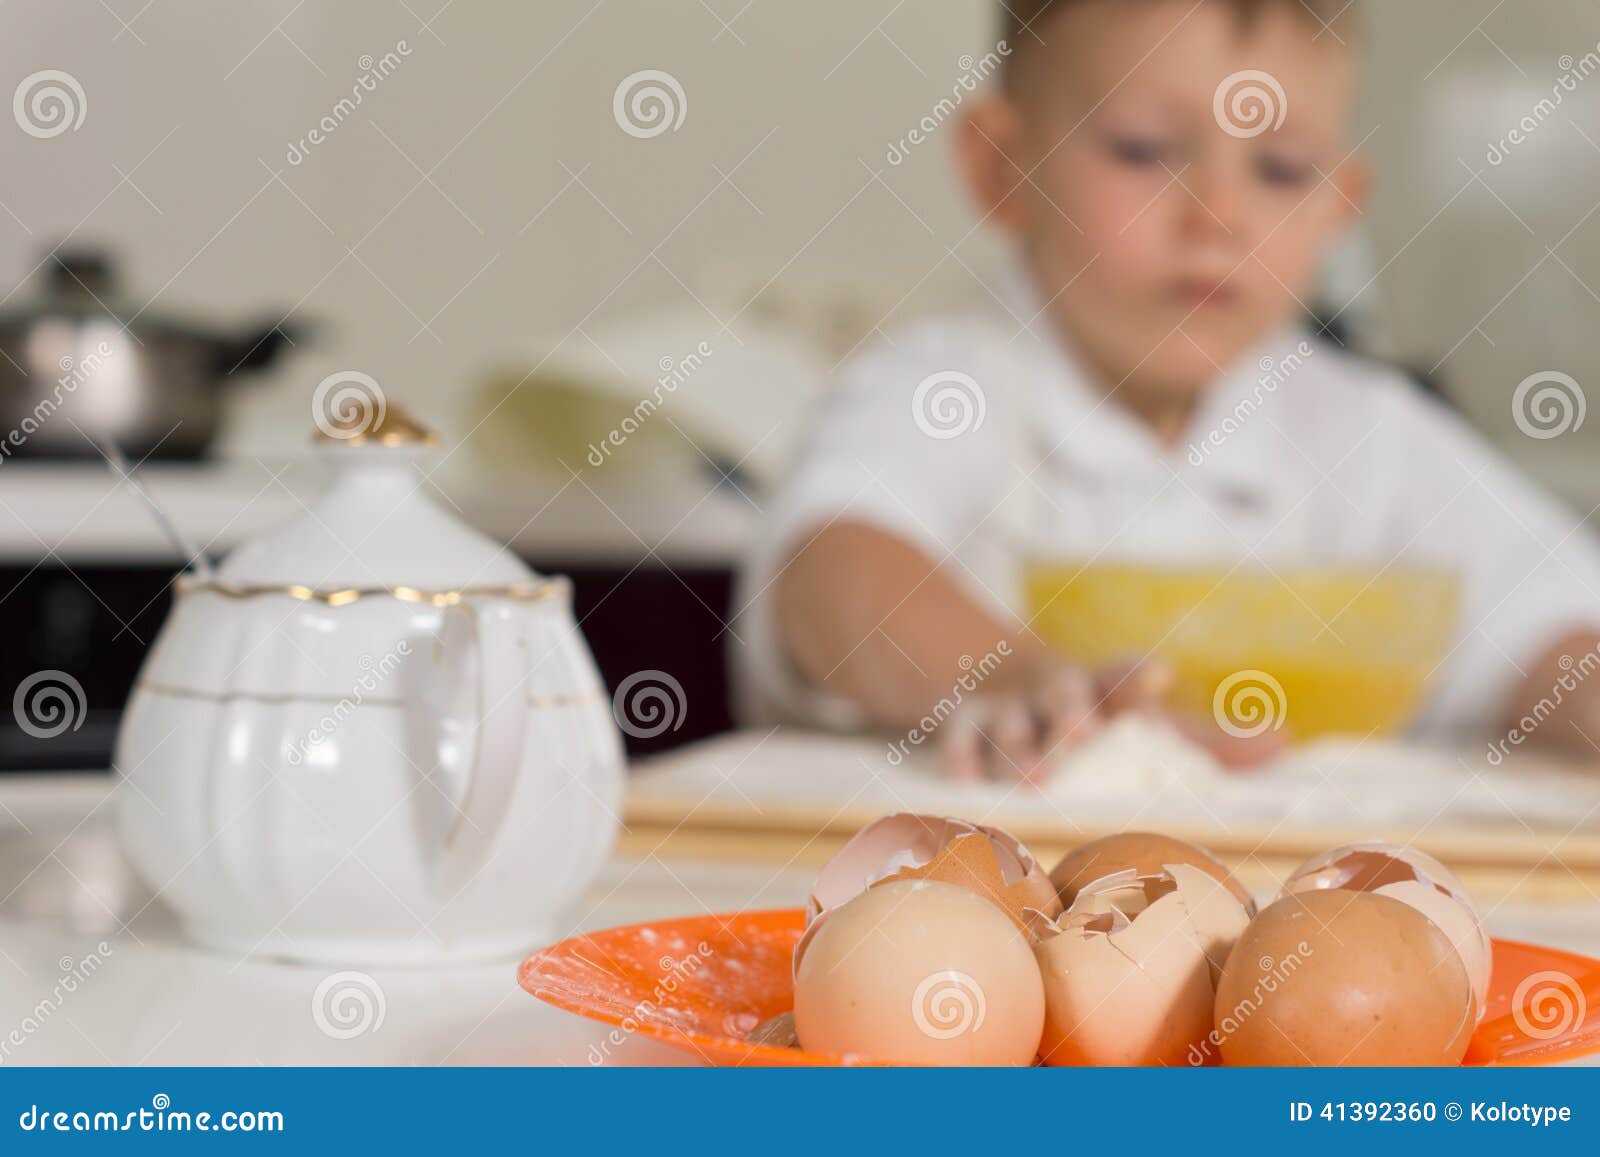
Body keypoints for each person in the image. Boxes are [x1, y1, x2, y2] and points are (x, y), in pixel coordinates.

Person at [736, 0, 1600, 782]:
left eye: (1282, 168)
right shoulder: (949, 382)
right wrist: (1006, 676)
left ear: (1340, 208)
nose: (1218, 213)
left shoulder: (1364, 432)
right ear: (1002, 167)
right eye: (1145, 149)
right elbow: (833, 574)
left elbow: (1550, 624)